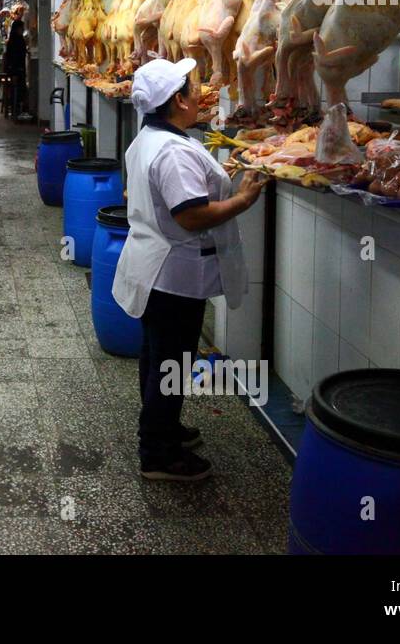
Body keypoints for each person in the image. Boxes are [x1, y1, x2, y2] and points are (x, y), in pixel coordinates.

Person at [111, 57, 269, 482]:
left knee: (158, 356)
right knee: (171, 362)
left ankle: (164, 428)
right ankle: (158, 453)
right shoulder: (172, 151)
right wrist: (242, 200)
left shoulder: (152, 137)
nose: (200, 92)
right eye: (193, 87)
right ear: (177, 101)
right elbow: (191, 215)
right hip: (172, 276)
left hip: (156, 269)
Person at [2, 19, 27, 115]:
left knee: (13, 89)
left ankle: (14, 109)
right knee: (18, 89)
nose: (22, 30)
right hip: (17, 69)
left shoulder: (12, 39)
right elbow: (18, 55)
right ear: (18, 28)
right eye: (22, 28)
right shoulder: (18, 39)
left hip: (12, 69)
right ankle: (16, 110)